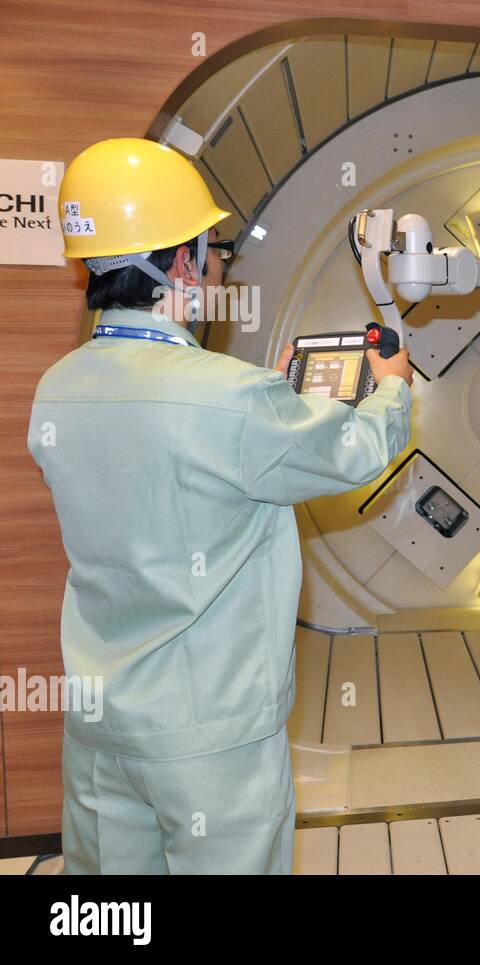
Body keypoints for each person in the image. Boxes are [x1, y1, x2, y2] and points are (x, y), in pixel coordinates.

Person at [27, 137, 415, 873]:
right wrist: (393, 386)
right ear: (180, 261)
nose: (218, 264)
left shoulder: (58, 386)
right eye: (214, 248)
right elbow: (354, 450)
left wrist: (265, 403)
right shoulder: (232, 401)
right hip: (212, 738)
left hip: (100, 725)